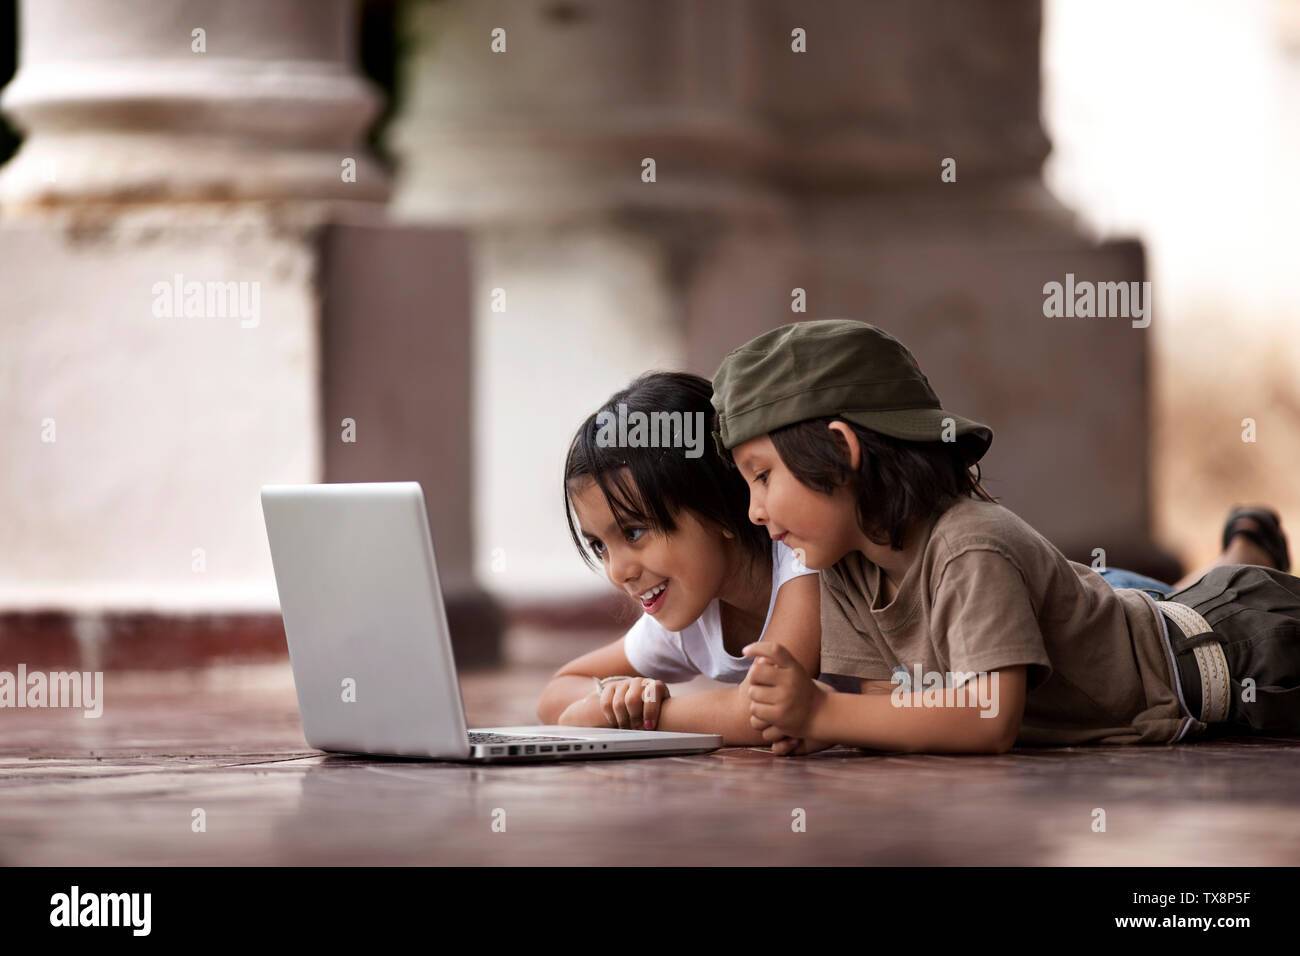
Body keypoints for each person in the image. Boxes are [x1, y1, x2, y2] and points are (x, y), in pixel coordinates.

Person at [707, 318, 1300, 753]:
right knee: (1187, 592)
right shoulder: (844, 569)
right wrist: (822, 727)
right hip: (1155, 617)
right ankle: (1247, 544)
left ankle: (1246, 558)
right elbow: (891, 704)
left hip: (1238, 652)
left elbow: (989, 717)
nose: (755, 512)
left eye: (763, 477)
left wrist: (825, 711)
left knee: (1222, 602)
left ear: (842, 449)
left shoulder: (970, 545)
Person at [536, 371, 820, 746]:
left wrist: (637, 718)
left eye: (634, 532)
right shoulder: (690, 608)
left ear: (718, 506)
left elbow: (763, 711)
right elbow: (555, 695)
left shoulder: (803, 560)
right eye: (599, 546)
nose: (618, 571)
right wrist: (619, 699)